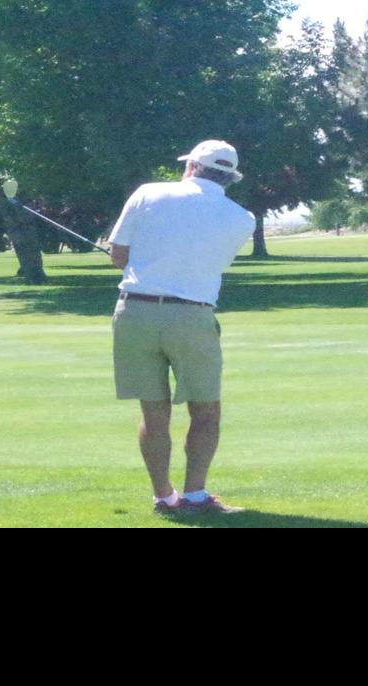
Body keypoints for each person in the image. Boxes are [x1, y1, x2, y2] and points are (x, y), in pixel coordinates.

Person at [107, 140, 259, 515]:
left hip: (135, 312)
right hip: (192, 315)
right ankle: (194, 496)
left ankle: (164, 497)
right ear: (229, 177)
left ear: (191, 165)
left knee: (153, 413)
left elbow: (118, 256)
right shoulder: (243, 218)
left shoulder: (147, 193)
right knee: (206, 411)